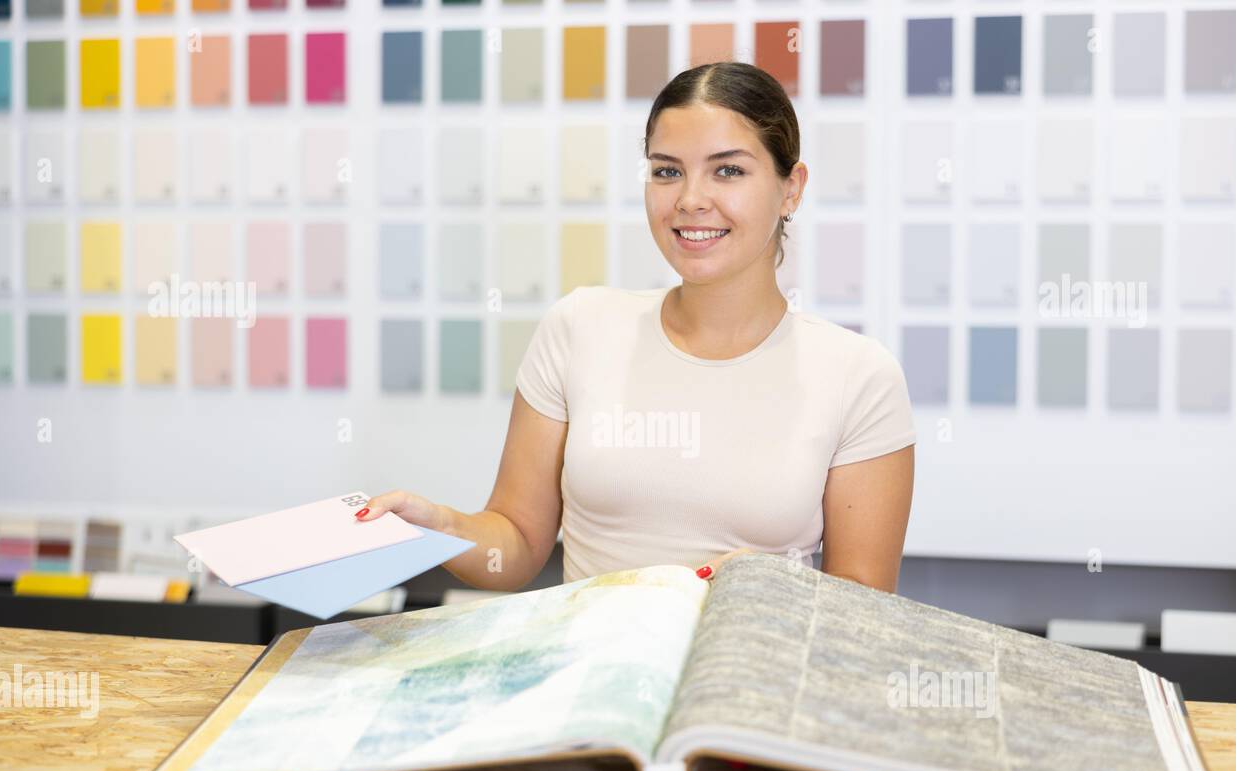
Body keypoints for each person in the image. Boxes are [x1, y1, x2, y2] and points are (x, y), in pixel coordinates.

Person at [359, 61, 916, 592]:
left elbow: (860, 605)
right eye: (667, 171)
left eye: (728, 170)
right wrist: (437, 528)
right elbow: (519, 542)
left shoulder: (858, 375)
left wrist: (769, 589)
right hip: (592, 679)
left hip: (749, 687)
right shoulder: (580, 327)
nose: (691, 200)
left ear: (791, 188)